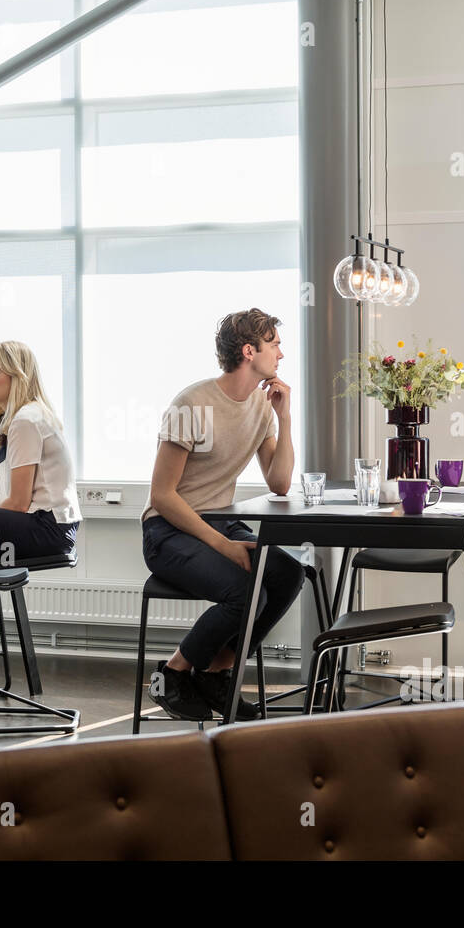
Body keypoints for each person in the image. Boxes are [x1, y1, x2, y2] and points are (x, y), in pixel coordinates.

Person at [141, 308, 303, 721]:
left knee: (287, 574)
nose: (281, 354)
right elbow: (162, 496)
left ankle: (217, 672)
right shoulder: (191, 404)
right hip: (167, 530)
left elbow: (281, 482)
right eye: (275, 344)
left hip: (217, 522)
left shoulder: (262, 408)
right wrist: (223, 544)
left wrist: (284, 418)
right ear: (250, 351)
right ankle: (173, 673)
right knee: (247, 591)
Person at [0, 341, 81, 564]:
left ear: (17, 376)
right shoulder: (25, 416)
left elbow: (18, 503)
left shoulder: (25, 420)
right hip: (56, 526)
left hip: (48, 528)